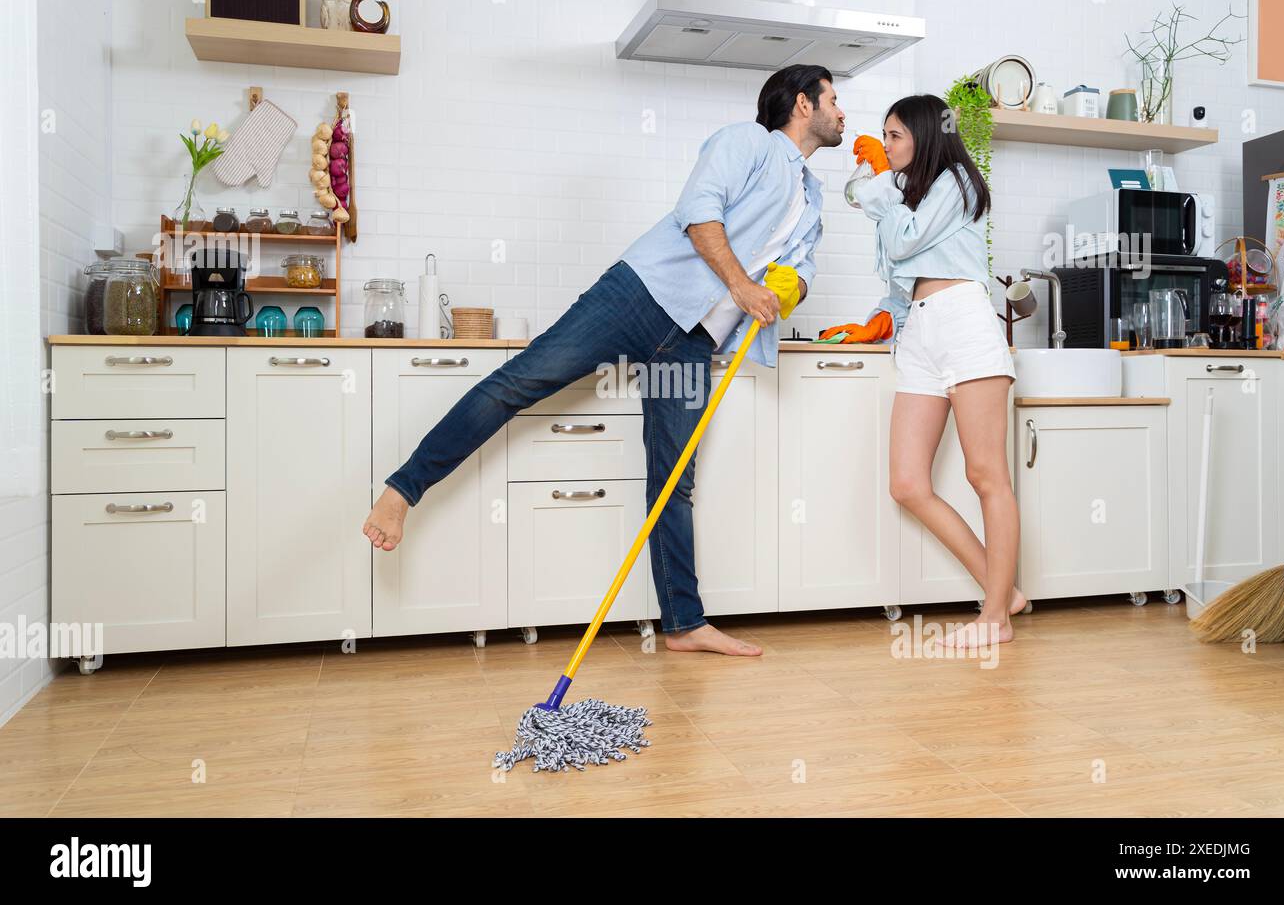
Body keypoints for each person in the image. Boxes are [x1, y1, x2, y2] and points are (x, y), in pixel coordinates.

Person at [363, 64, 845, 656]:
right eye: (834, 99)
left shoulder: (813, 197)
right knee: (519, 383)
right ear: (803, 104)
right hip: (641, 295)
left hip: (692, 341)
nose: (843, 112)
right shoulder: (747, 143)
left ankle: (684, 624)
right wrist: (745, 285)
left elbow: (802, 269)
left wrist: (789, 287)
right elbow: (700, 213)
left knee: (674, 482)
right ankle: (403, 489)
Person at [825, 94, 1023, 647]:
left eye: (893, 135)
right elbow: (858, 200)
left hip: (964, 324)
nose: (885, 145)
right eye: (882, 137)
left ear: (924, 135)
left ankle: (995, 620)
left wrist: (880, 182)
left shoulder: (957, 181)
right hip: (921, 333)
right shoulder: (908, 189)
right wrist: (882, 318)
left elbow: (904, 238)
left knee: (987, 478)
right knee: (908, 483)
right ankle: (1002, 591)